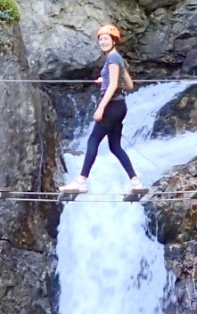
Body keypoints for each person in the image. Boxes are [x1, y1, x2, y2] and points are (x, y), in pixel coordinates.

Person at [61, 24, 145, 196]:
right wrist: (104, 80)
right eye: (100, 39)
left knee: (93, 140)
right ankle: (136, 182)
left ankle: (80, 181)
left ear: (114, 41)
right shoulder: (118, 59)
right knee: (115, 147)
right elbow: (129, 85)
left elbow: (114, 85)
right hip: (120, 107)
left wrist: (101, 107)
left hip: (112, 106)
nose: (103, 42)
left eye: (106, 39)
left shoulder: (113, 59)